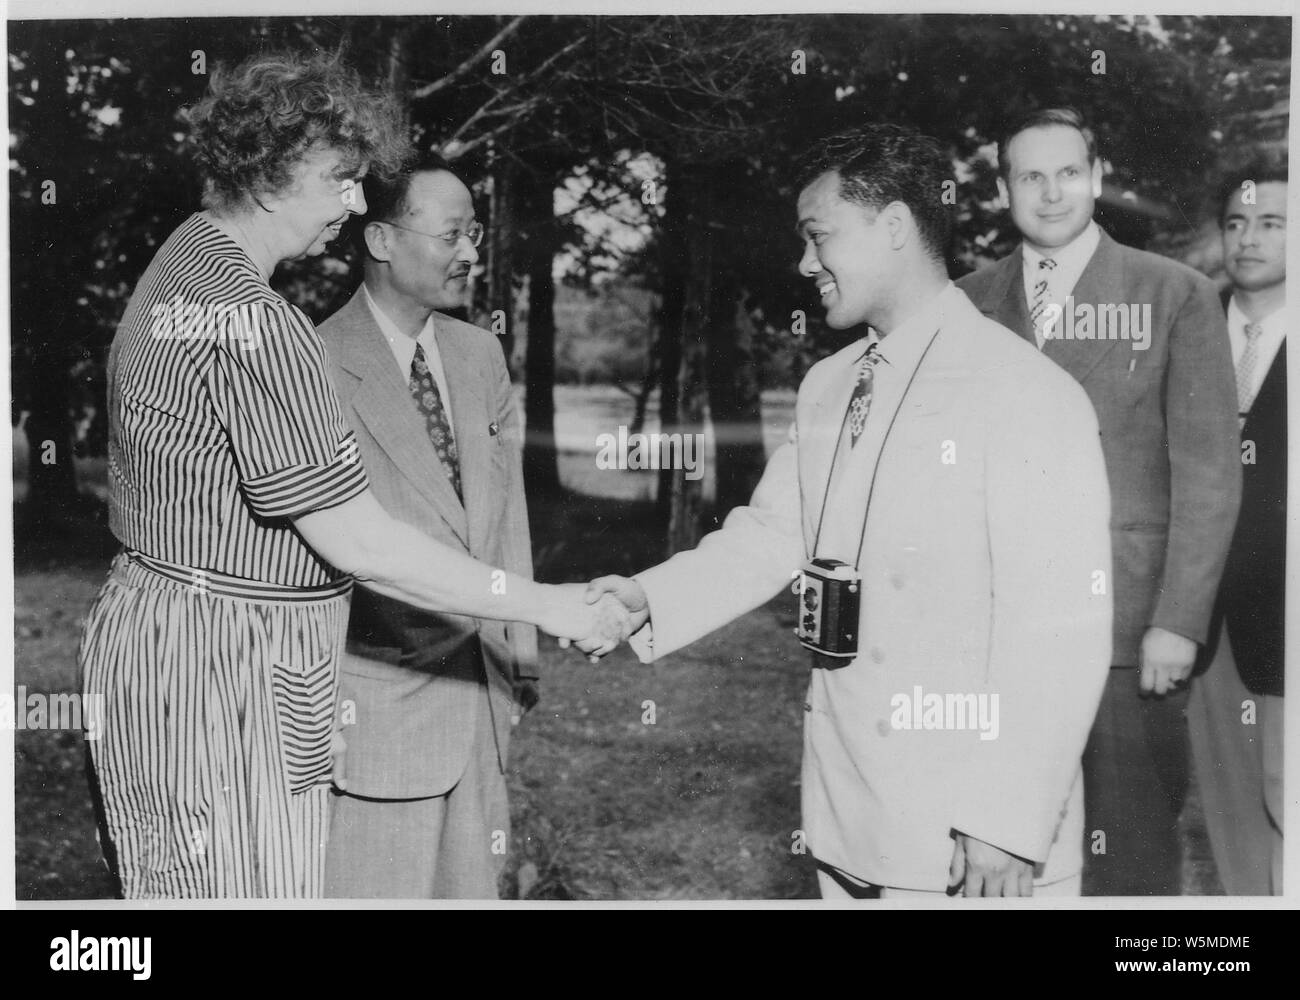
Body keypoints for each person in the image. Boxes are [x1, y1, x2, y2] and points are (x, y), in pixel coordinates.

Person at [78, 52, 627, 899]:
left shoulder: (177, 265)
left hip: (157, 635)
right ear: (268, 176)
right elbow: (361, 540)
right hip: (231, 668)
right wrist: (551, 605)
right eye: (337, 179)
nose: (353, 202)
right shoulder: (258, 320)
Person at [582, 125, 1113, 898]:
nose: (804, 263)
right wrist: (647, 598)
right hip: (848, 817)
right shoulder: (830, 384)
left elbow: (1061, 627)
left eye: (817, 235)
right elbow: (775, 535)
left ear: (894, 226)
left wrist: (1004, 819)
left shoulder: (1027, 393)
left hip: (972, 843)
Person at [955, 107, 1242, 896]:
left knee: (1131, 861)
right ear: (1004, 188)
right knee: (997, 850)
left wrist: (1178, 621)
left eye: (1069, 174)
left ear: (1098, 178)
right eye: (1030, 177)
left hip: (1128, 630)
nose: (1052, 194)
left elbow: (1211, 473)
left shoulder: (1174, 293)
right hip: (996, 634)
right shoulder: (965, 304)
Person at [317, 154, 534, 898]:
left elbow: (507, 521)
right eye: (451, 234)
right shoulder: (311, 364)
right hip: (372, 718)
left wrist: (522, 664)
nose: (471, 251)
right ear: (381, 240)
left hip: (482, 705)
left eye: (474, 232)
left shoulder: (480, 356)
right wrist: (319, 715)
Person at [1187, 165, 1286, 895]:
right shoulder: (1185, 328)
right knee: (1231, 819)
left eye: (1272, 223)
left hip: (1288, 620)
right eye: (1236, 223)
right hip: (1200, 625)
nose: (1248, 238)